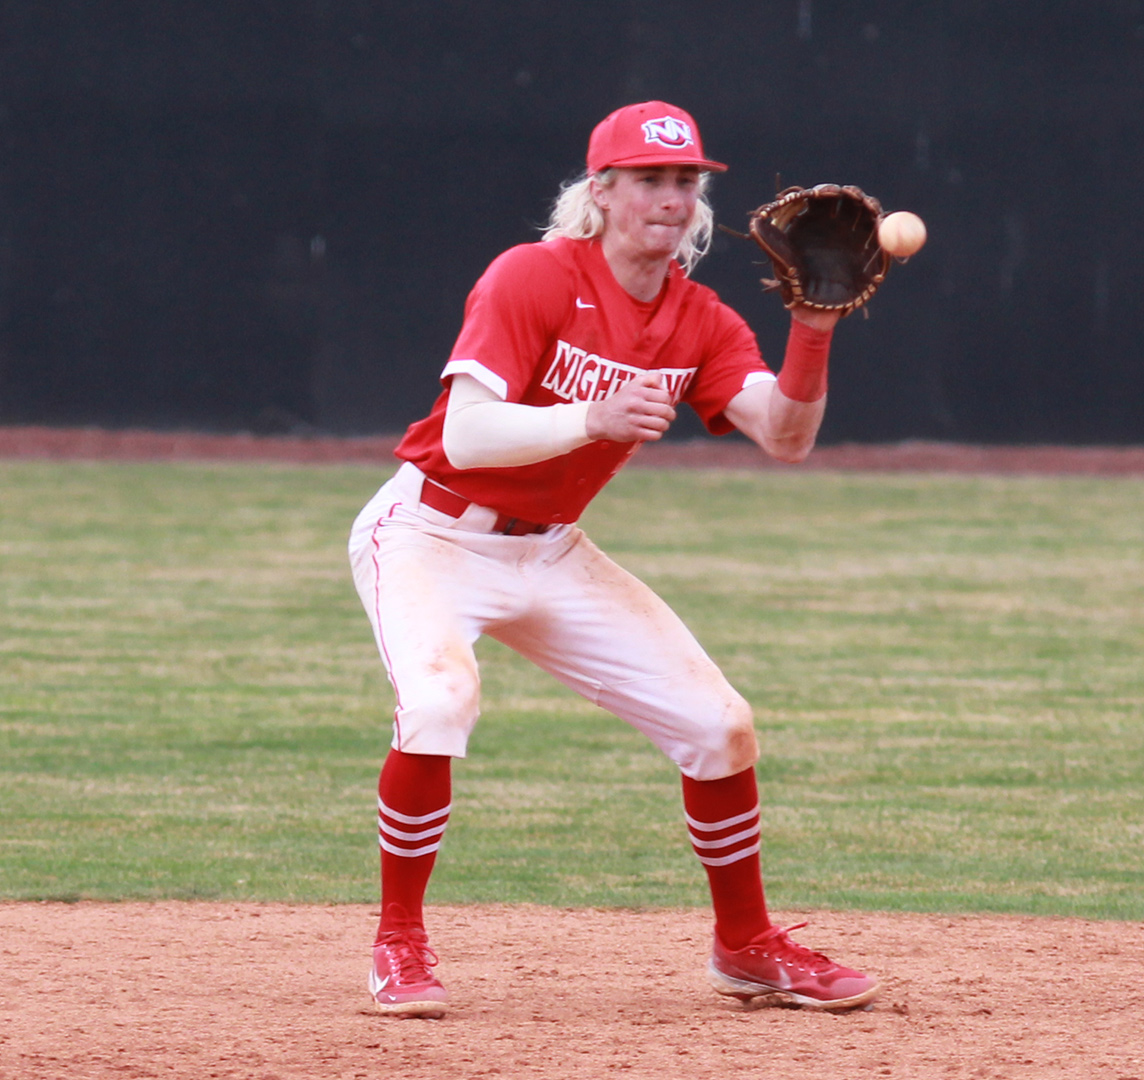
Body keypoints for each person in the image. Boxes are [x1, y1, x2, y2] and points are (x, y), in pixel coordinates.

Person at [347, 101, 880, 1017]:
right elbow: (466, 436)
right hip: (430, 532)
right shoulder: (534, 276)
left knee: (719, 724)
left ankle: (746, 946)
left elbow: (786, 435)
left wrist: (813, 328)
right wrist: (588, 418)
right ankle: (399, 941)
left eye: (686, 182)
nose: (670, 198)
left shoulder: (699, 319)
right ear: (601, 191)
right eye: (648, 180)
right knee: (438, 701)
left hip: (550, 549)